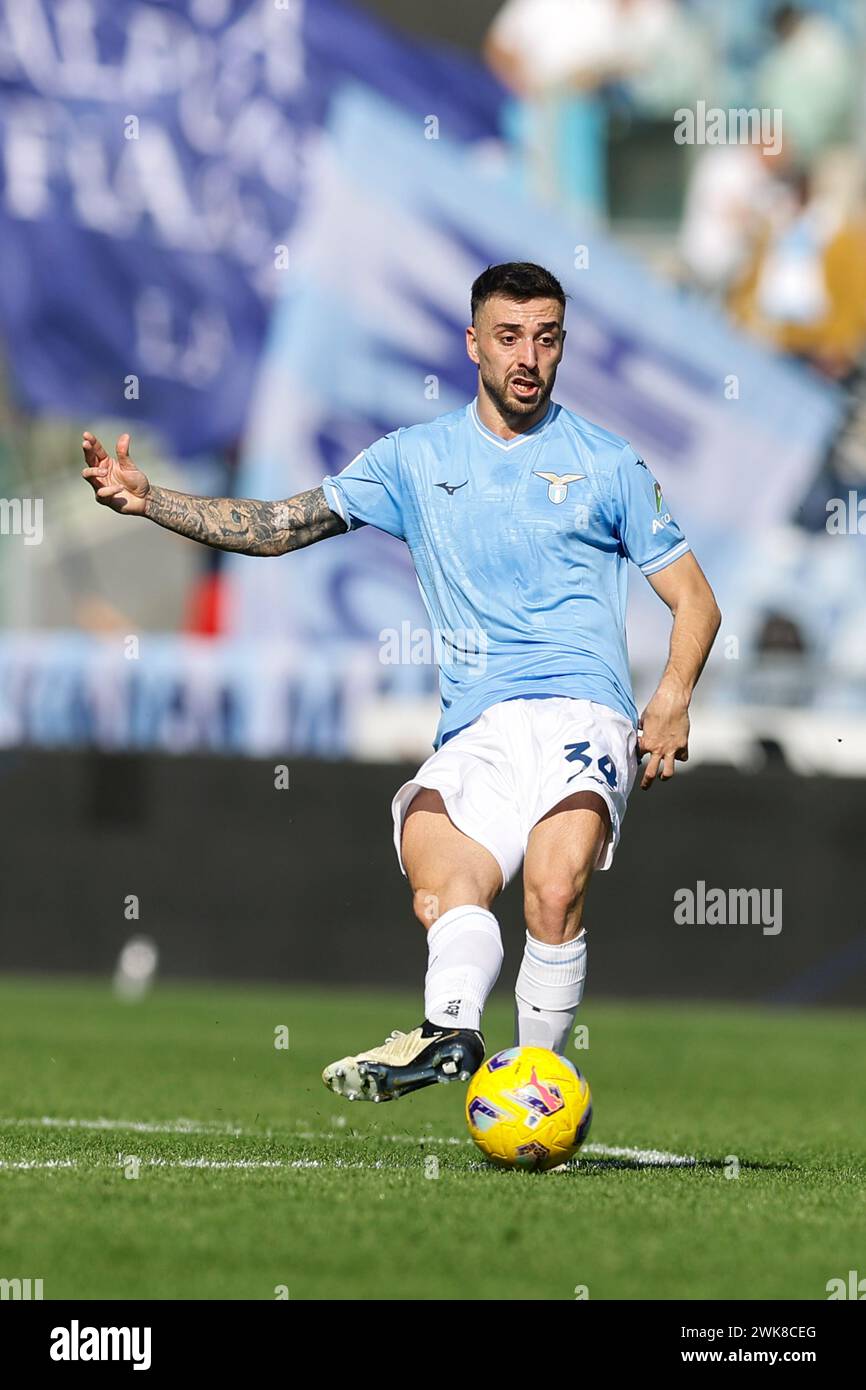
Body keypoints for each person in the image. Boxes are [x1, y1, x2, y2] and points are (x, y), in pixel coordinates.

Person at [81, 261, 720, 1103]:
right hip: (477, 730)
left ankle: (537, 1088)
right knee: (442, 870)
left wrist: (670, 699)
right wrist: (150, 498)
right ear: (473, 346)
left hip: (583, 710)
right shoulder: (414, 459)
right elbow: (278, 526)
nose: (529, 356)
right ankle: (451, 1032)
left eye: (547, 337)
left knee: (554, 888)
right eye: (509, 336)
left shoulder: (608, 464)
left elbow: (696, 603)